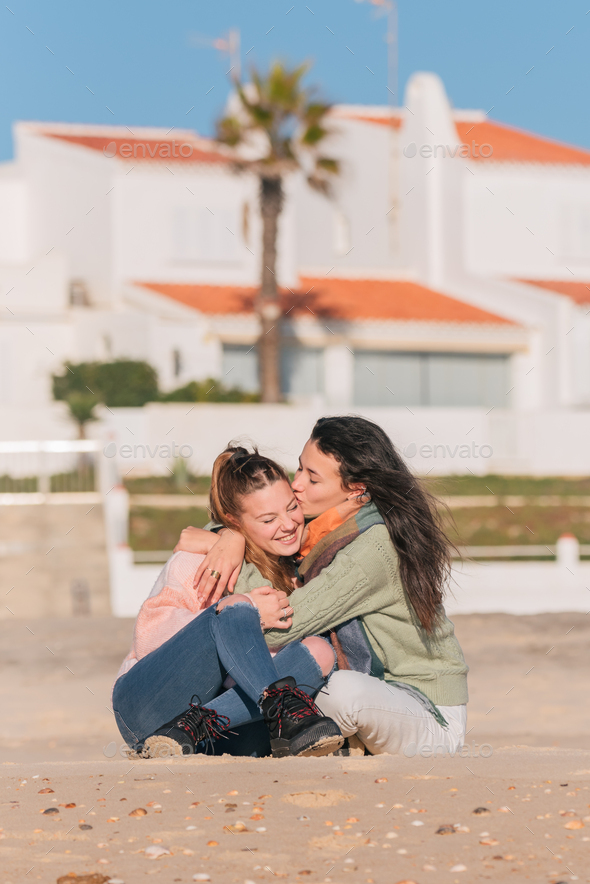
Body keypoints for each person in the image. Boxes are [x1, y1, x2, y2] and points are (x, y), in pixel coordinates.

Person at [177, 415, 469, 757]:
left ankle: (198, 727)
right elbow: (256, 519)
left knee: (336, 689)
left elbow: (280, 626)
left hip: (426, 712)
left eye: (312, 479)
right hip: (381, 695)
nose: (296, 484)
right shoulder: (325, 528)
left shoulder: (374, 546)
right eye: (299, 469)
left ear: (357, 490)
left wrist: (231, 546)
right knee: (303, 682)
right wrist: (229, 534)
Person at [112, 447, 343, 759]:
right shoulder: (202, 560)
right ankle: (281, 712)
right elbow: (148, 640)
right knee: (235, 606)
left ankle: (205, 725)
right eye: (268, 519)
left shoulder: (294, 570)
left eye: (291, 508)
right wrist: (247, 616)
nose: (288, 524)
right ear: (235, 521)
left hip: (218, 732)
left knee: (321, 651)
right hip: (146, 706)